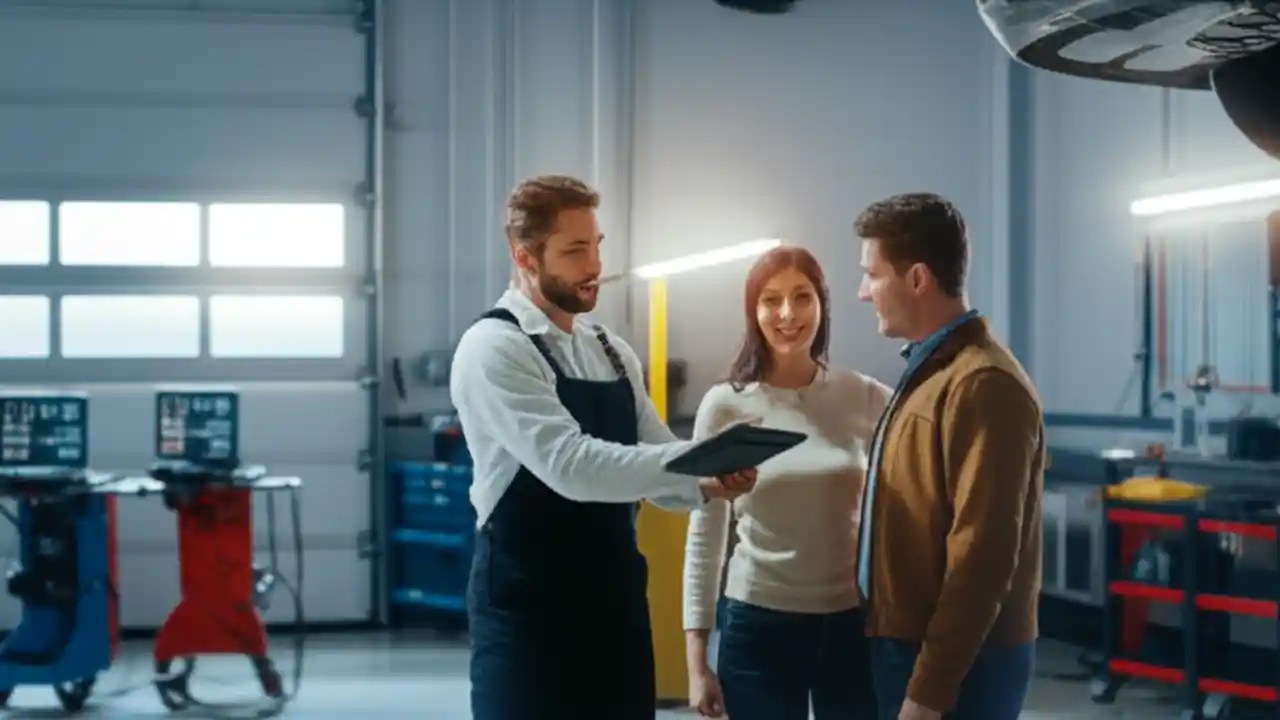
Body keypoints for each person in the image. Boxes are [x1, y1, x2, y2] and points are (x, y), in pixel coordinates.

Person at [449, 174, 758, 720]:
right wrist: (691, 463)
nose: (593, 266)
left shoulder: (611, 351)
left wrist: (710, 479)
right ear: (525, 257)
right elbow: (573, 466)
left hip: (613, 605)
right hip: (528, 616)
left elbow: (656, 456)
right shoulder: (493, 348)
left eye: (596, 246)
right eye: (573, 251)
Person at [852, 192, 1045, 720]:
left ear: (917, 279)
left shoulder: (982, 383)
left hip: (956, 664)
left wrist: (929, 693)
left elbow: (982, 557)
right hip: (911, 645)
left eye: (872, 275)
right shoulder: (935, 370)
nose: (862, 293)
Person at [682, 245, 889, 720]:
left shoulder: (863, 395)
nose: (787, 314)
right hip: (757, 622)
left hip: (848, 624)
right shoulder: (725, 406)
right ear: (753, 312)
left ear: (822, 305)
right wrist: (697, 662)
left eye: (802, 297)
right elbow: (705, 538)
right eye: (770, 300)